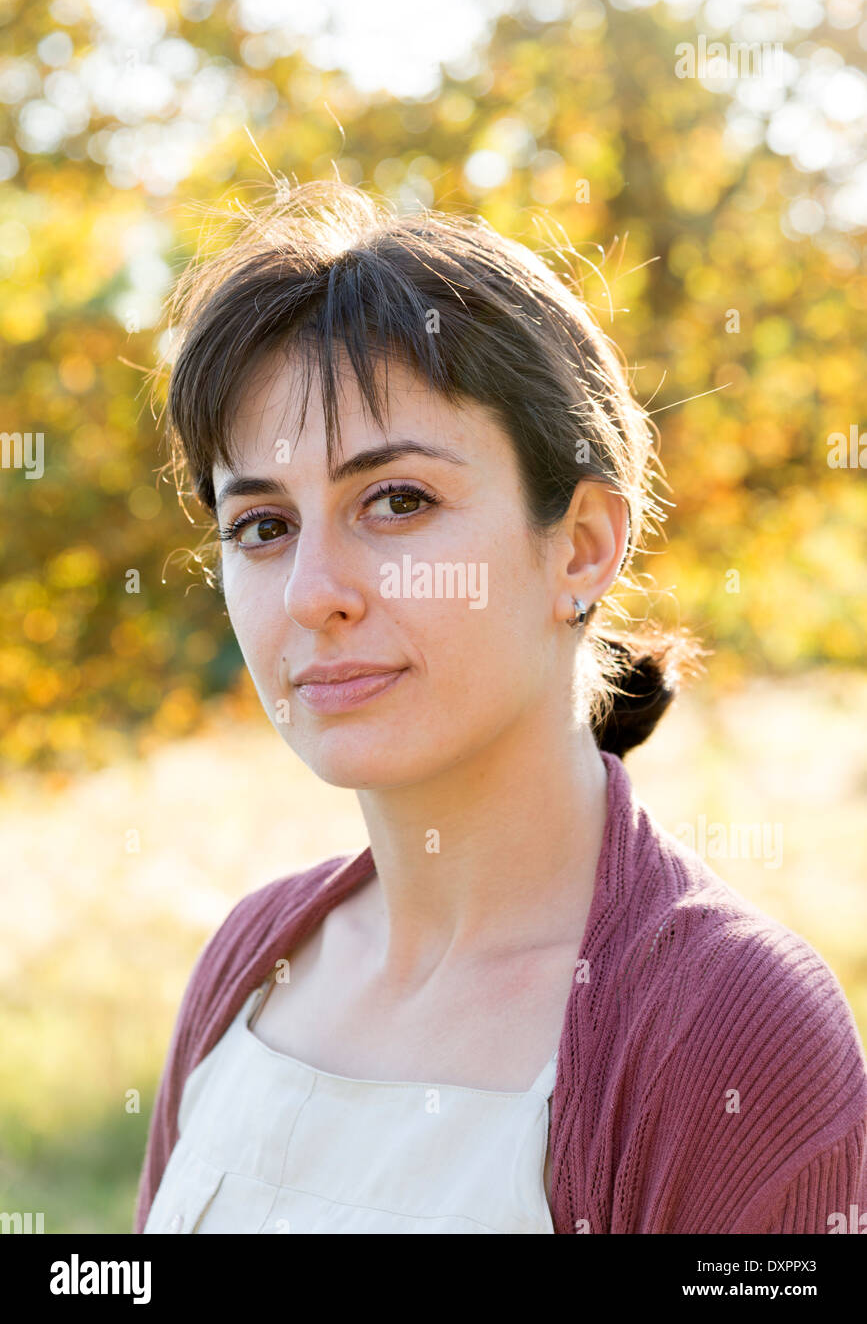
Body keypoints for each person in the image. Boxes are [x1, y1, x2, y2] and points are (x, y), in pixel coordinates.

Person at [134, 180, 867, 1234]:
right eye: (261, 524)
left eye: (398, 500)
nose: (311, 593)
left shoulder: (732, 1026)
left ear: (580, 544)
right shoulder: (251, 964)